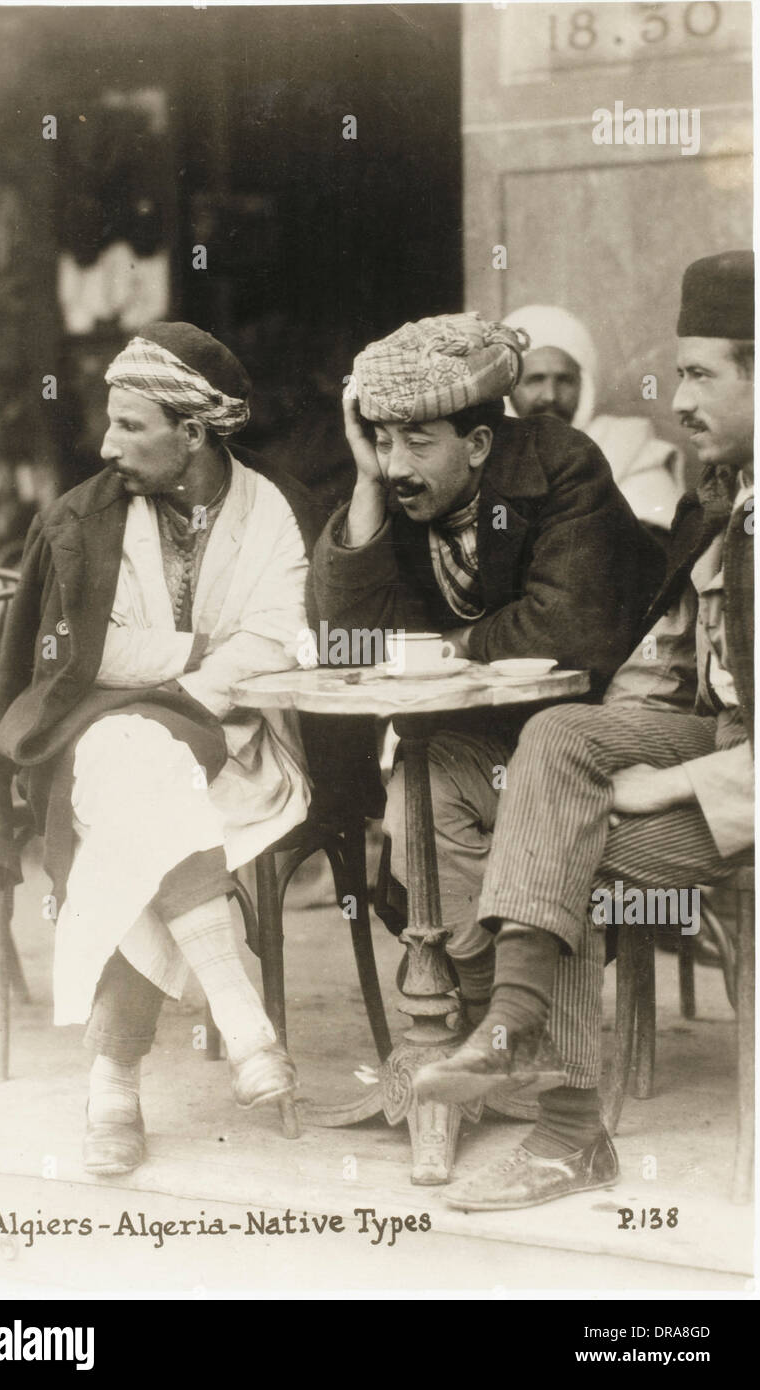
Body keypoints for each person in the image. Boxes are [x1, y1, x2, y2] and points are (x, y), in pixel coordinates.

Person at [416, 251, 754, 1210]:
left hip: (740, 777)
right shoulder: (721, 499)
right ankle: (517, 1027)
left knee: (574, 845)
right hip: (722, 741)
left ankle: (564, 1124)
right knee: (560, 737)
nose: (675, 398)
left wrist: (672, 784)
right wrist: (631, 735)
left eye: (699, 375)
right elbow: (693, 671)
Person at [0, 322, 327, 1176]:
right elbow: (85, 657)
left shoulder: (273, 510)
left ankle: (113, 1085)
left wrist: (175, 675)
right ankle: (239, 1023)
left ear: (193, 432)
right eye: (108, 421)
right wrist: (204, 651)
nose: (105, 443)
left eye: (130, 426)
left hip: (240, 744)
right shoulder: (85, 520)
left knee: (131, 788)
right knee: (132, 765)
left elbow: (282, 639)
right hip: (98, 738)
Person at [308, 311, 664, 1038]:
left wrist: (440, 648)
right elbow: (345, 640)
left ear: (477, 443)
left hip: (594, 738)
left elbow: (570, 628)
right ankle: (491, 1022)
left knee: (450, 793)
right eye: (381, 439)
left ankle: (507, 1031)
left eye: (415, 441)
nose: (397, 463)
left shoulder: (563, 462)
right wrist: (365, 480)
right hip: (484, 741)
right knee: (416, 803)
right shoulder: (398, 491)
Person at [504, 303, 684, 536]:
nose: (550, 396)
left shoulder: (626, 447)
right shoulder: (486, 449)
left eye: (565, 380)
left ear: (583, 385)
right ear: (508, 388)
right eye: (535, 380)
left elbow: (654, 542)